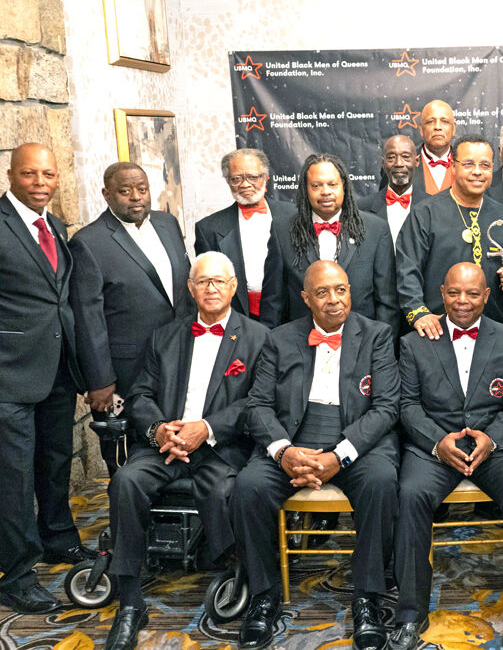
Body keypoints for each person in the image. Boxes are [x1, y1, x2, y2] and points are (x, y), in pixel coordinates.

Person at [104, 252, 269, 650]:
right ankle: (130, 601)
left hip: (219, 448)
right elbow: (140, 393)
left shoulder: (259, 337)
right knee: (125, 481)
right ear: (190, 289)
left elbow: (258, 402)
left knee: (224, 491)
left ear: (233, 287)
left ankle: (233, 567)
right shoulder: (165, 336)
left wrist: (206, 429)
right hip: (165, 446)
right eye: (202, 282)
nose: (210, 289)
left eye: (219, 281)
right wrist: (160, 430)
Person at [230, 260, 400, 650]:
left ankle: (367, 597)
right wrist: (283, 451)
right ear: (306, 298)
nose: (333, 300)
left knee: (380, 482)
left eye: (340, 289)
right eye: (322, 292)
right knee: (248, 487)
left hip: (354, 439)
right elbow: (257, 405)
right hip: (294, 437)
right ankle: (264, 594)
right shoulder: (280, 338)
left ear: (350, 291)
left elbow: (387, 407)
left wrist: (339, 456)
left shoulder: (376, 335)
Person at [387, 263, 503, 650]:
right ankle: (410, 612)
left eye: (473, 293)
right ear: (442, 292)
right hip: (436, 445)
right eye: (454, 293)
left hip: (494, 444)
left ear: (487, 295)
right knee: (411, 495)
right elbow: (407, 405)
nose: (463, 301)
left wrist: (494, 438)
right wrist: (438, 442)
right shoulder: (414, 341)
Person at [0, 143, 93, 614]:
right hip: (8, 376)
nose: (41, 182)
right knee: (13, 477)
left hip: (57, 368)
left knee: (55, 459)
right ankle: (15, 575)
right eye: (31, 174)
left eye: (49, 175)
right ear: (11, 175)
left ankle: (59, 538)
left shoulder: (53, 225)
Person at [70, 161, 193, 476]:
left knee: (173, 440)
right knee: (124, 452)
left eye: (142, 189)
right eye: (125, 191)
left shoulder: (167, 223)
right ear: (107, 195)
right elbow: (88, 318)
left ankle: (174, 519)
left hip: (178, 357)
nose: (136, 197)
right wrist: (100, 381)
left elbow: (182, 291)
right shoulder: (88, 242)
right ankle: (128, 518)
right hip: (126, 369)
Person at [396, 134, 503, 335]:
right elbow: (407, 271)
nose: (477, 172)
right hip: (437, 330)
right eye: (468, 164)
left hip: (493, 333)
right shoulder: (425, 214)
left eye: (484, 165)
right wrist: (419, 314)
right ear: (453, 167)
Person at [260, 153, 399, 337]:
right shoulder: (283, 230)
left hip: (362, 344)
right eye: (316, 186)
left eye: (332, 184)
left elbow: (387, 302)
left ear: (344, 187)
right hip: (301, 345)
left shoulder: (375, 229)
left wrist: (380, 347)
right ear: (305, 189)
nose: (325, 191)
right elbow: (273, 301)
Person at [194, 148, 296, 323]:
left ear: (266, 178)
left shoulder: (294, 216)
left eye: (252, 177)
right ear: (228, 181)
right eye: (236, 179)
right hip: (236, 321)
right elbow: (208, 284)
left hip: (290, 317)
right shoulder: (208, 228)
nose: (245, 184)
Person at [358, 135, 428, 247]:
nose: (398, 163)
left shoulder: (431, 206)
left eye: (405, 157)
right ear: (383, 163)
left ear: (417, 161)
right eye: (391, 157)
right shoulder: (362, 207)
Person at [419, 99, 456, 195]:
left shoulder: (466, 163)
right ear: (421, 129)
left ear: (454, 129)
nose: (438, 127)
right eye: (431, 121)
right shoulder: (402, 164)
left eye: (445, 121)